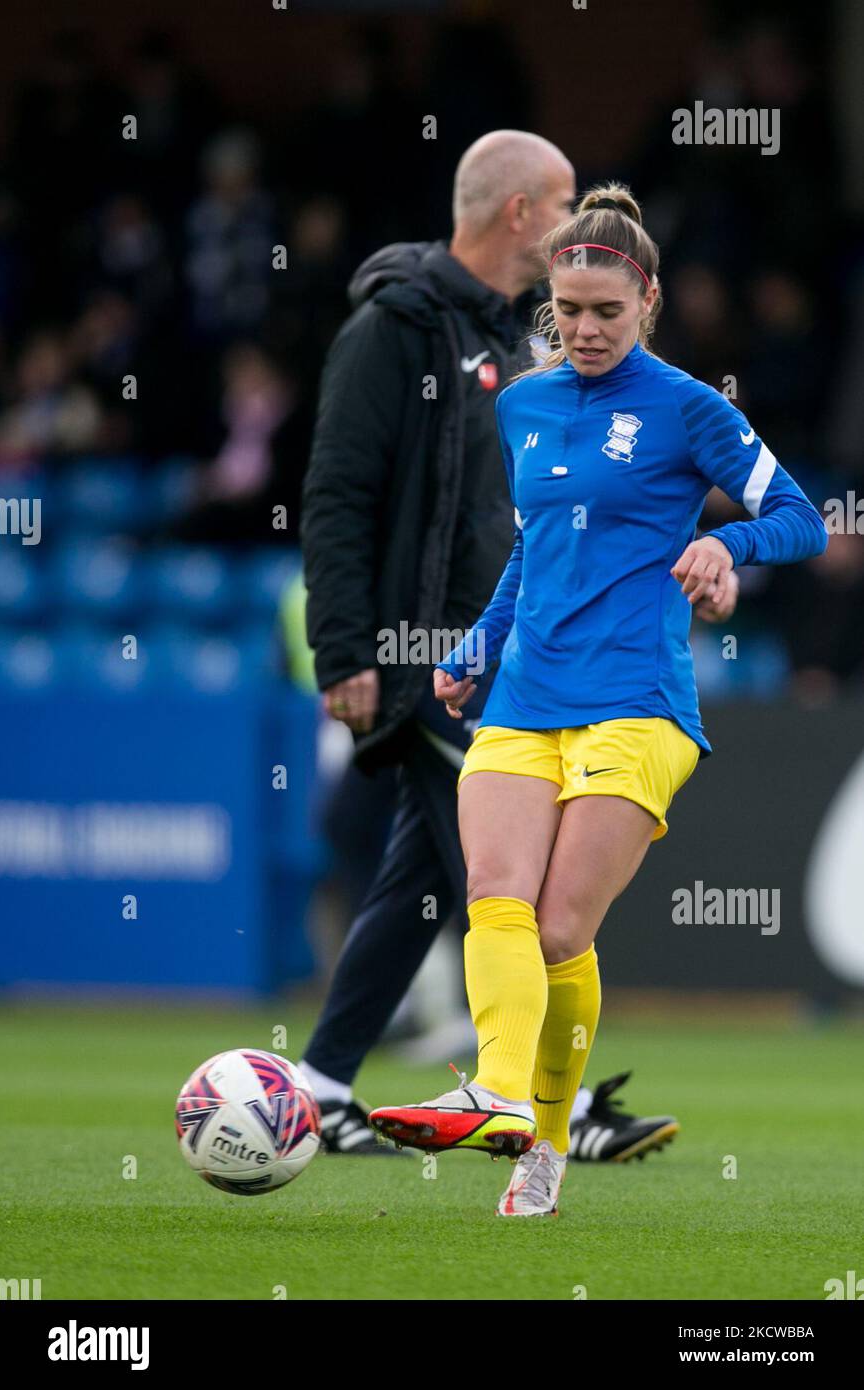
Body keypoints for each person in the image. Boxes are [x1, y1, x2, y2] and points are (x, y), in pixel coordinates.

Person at [369, 183, 828, 1215]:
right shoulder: (522, 402)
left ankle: (546, 1143)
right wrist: (478, 643)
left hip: (637, 700)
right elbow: (539, 547)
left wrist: (721, 543)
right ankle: (498, 1094)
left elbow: (799, 516)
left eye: (604, 313)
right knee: (493, 889)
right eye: (566, 310)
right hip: (526, 692)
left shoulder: (688, 407)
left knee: (558, 929)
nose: (581, 329)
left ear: (647, 303)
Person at [300, 136, 736, 1164]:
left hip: (518, 648)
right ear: (519, 216)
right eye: (562, 205)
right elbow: (335, 491)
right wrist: (342, 647)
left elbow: (532, 527)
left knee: (425, 879)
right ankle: (552, 1108)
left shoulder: (524, 349)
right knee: (509, 893)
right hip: (438, 658)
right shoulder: (390, 331)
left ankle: (320, 1082)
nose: (576, 227)